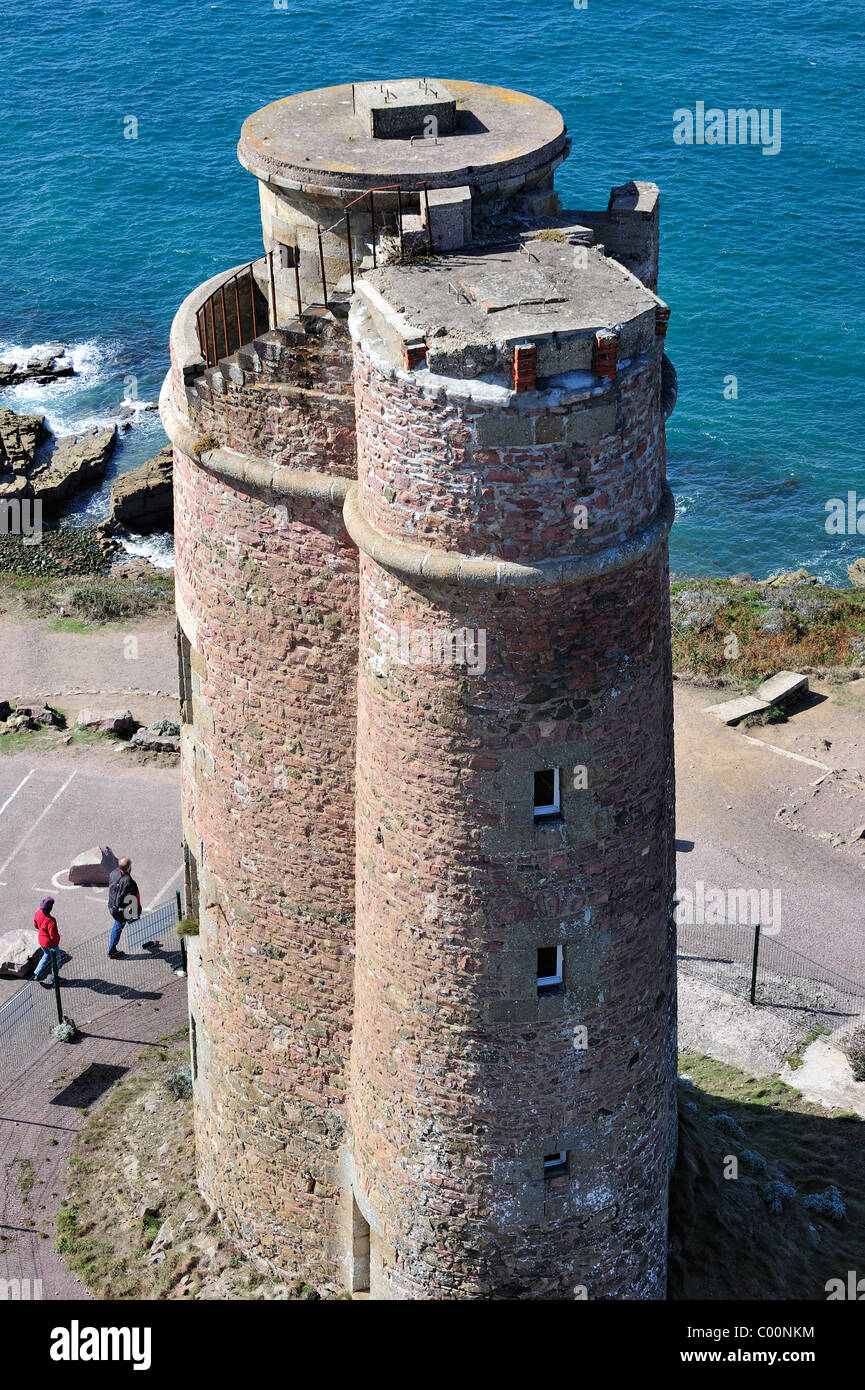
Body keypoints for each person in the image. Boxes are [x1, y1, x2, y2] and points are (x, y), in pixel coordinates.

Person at [107, 856, 141, 959]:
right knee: (136, 923)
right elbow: (131, 900)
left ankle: (112, 950)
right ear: (129, 867)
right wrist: (136, 910)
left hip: (113, 907)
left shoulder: (113, 873)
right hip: (124, 911)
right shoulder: (128, 882)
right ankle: (145, 942)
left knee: (118, 926)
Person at [33, 897, 60, 985]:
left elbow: (35, 925)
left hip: (41, 941)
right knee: (57, 960)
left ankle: (37, 973)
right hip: (51, 944)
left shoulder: (38, 912)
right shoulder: (51, 921)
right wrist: (58, 940)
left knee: (46, 955)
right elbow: (53, 936)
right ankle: (54, 978)